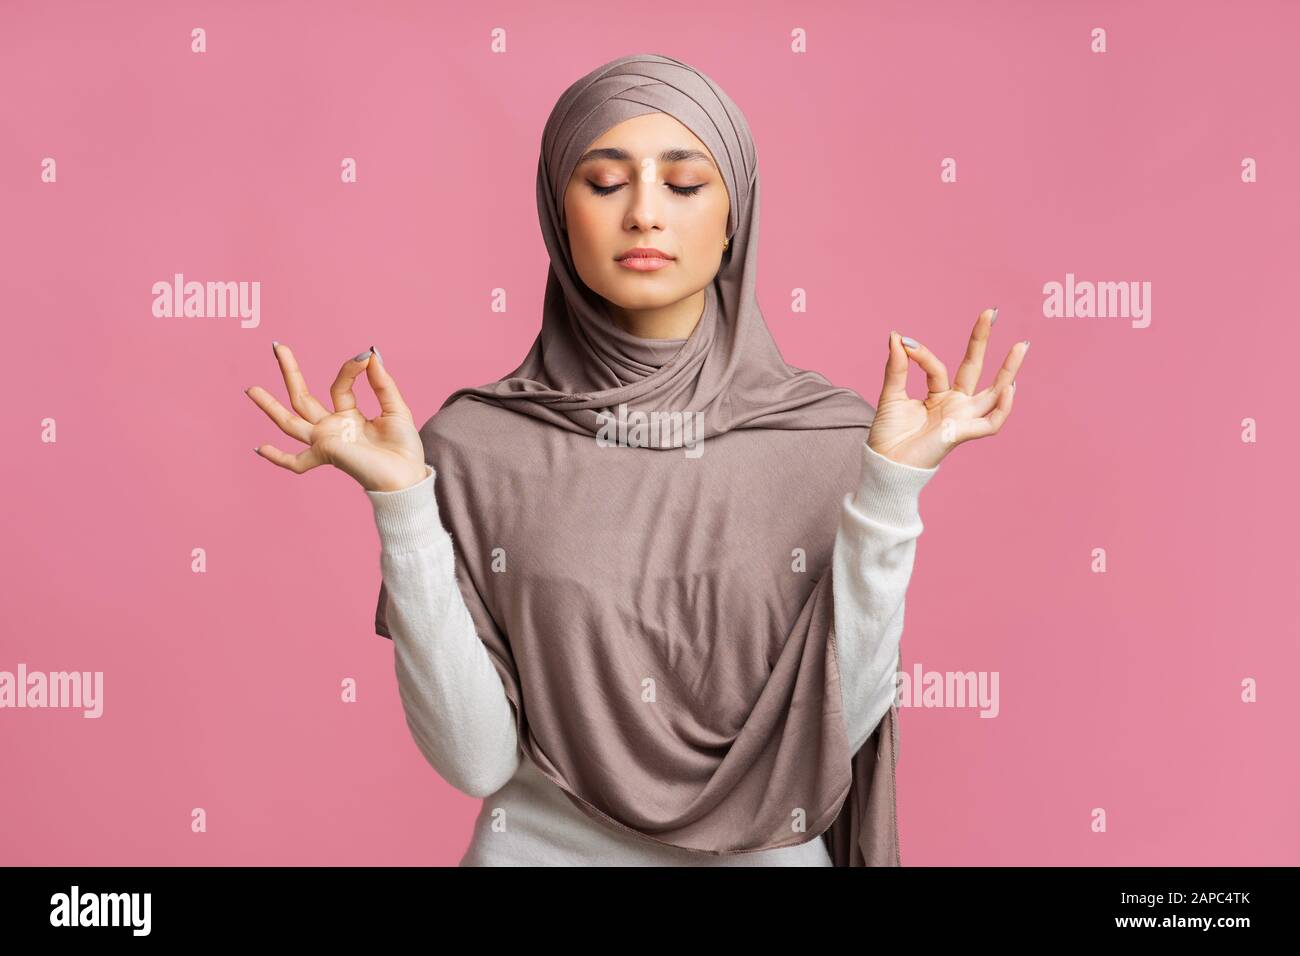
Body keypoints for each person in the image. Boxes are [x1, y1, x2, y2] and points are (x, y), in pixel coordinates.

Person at [245, 54, 1026, 866]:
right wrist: (405, 503)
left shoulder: (830, 441)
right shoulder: (474, 445)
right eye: (606, 182)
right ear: (558, 212)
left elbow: (833, 734)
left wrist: (892, 492)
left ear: (736, 214)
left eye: (684, 185)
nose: (645, 214)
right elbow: (476, 762)